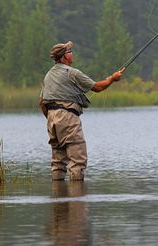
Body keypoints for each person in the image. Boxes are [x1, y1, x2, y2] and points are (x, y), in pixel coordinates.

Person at [39, 41, 125, 181]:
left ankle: (58, 198)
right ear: (65, 56)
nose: (72, 53)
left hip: (51, 120)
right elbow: (97, 87)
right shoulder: (72, 73)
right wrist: (112, 79)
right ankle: (76, 199)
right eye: (70, 51)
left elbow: (41, 103)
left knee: (58, 163)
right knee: (77, 161)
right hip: (67, 117)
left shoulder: (48, 75)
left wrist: (52, 119)